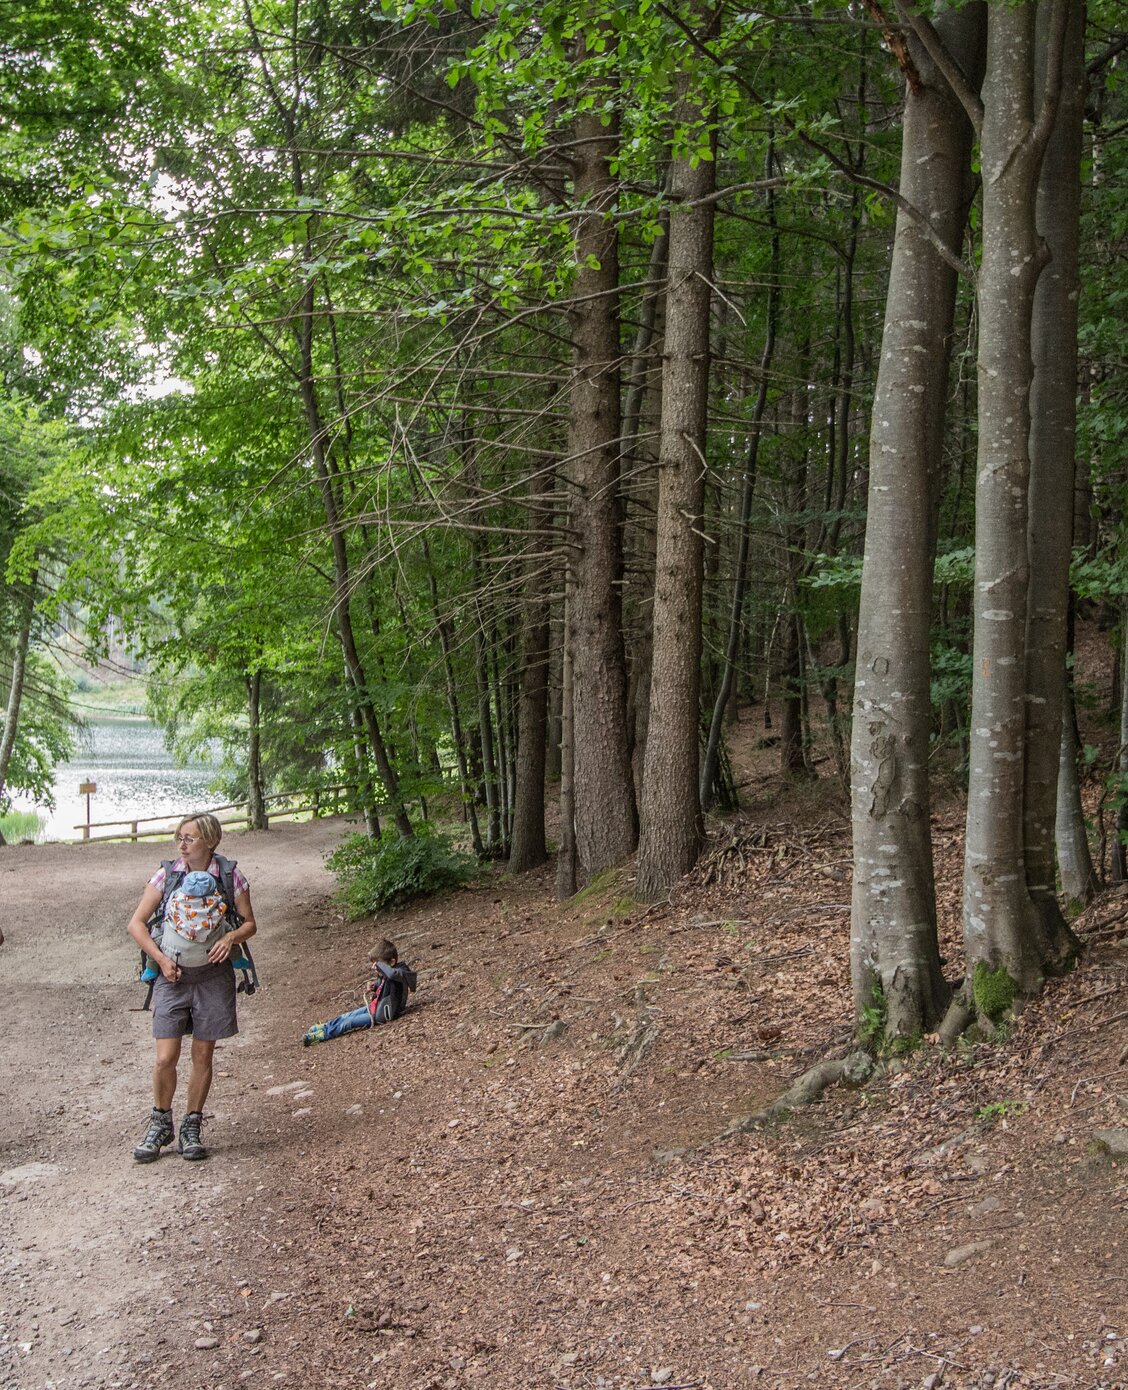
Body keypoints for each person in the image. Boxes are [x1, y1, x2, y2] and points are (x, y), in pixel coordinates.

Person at [127, 812, 258, 1163]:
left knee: (203, 1054)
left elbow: (249, 924)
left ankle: (191, 1125)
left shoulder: (230, 877)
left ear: (210, 841)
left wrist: (230, 936)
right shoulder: (167, 875)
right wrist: (161, 959)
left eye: (190, 838)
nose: (182, 844)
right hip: (172, 977)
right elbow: (136, 924)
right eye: (179, 838)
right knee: (165, 1057)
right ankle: (160, 1123)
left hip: (214, 977)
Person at [302, 937, 416, 1046]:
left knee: (349, 1023)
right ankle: (327, 1026)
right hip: (375, 1006)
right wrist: (375, 986)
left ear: (392, 962)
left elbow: (392, 975)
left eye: (378, 965)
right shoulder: (386, 973)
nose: (374, 968)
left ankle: (323, 1035)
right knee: (346, 1016)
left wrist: (381, 967)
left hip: (380, 1015)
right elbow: (385, 985)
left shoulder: (401, 971)